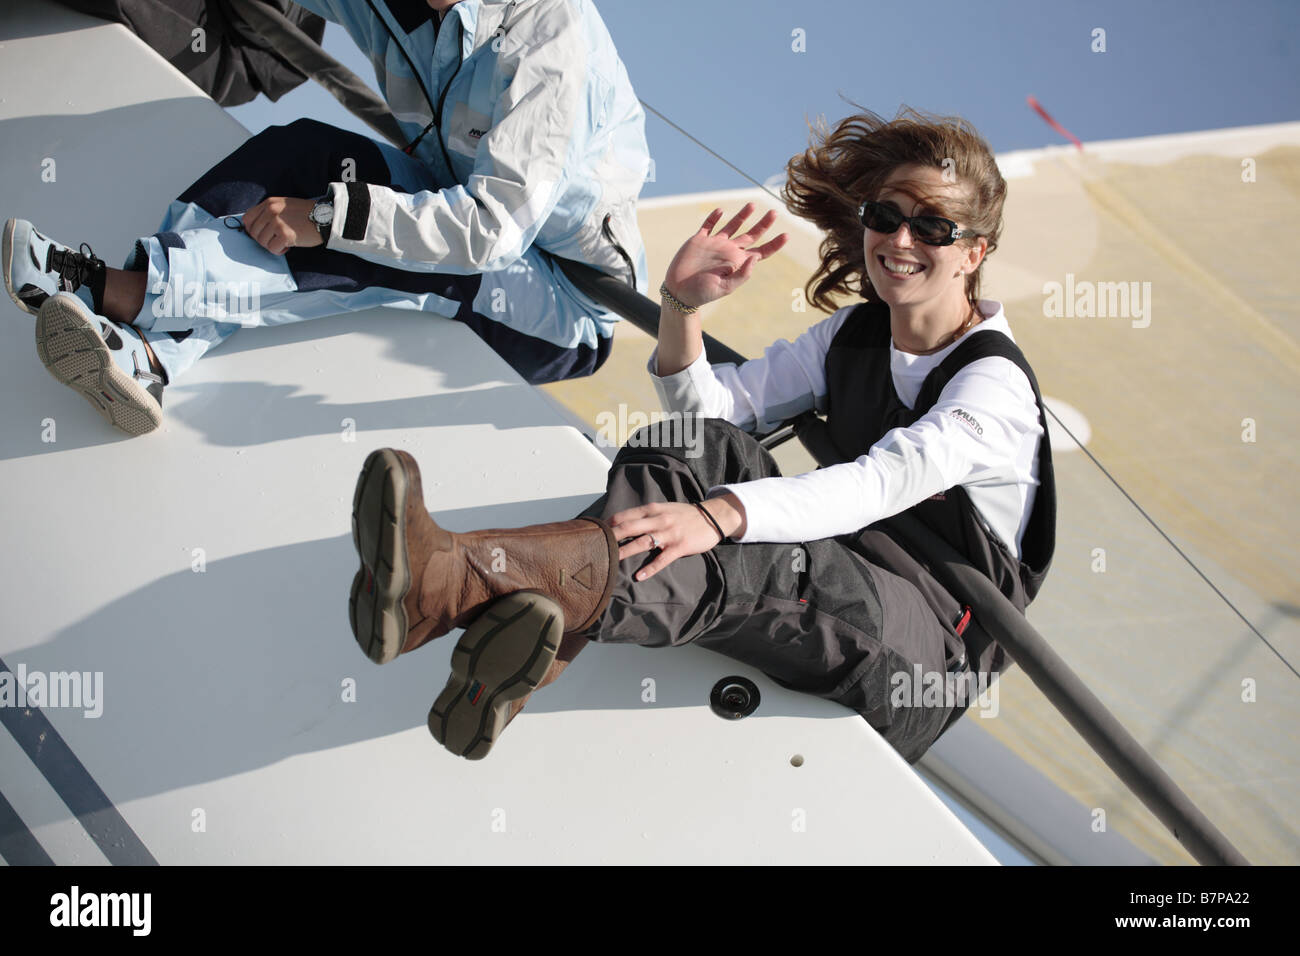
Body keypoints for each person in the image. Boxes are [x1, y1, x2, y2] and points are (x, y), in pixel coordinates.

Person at [347, 107, 1056, 764]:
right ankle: (531, 637)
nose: (901, 239)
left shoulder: (993, 387)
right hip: (844, 563)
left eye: (933, 227)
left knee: (758, 557)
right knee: (695, 446)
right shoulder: (854, 334)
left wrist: (718, 514)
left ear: (973, 253)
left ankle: (454, 582)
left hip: (927, 647)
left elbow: (880, 482)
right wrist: (681, 306)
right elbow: (716, 414)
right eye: (886, 216)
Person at [4, 0, 649, 435]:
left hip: (561, 298)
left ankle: (119, 292)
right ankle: (153, 353)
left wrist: (326, 216)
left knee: (377, 240)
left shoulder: (554, 43)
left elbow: (490, 230)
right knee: (301, 148)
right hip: (450, 194)